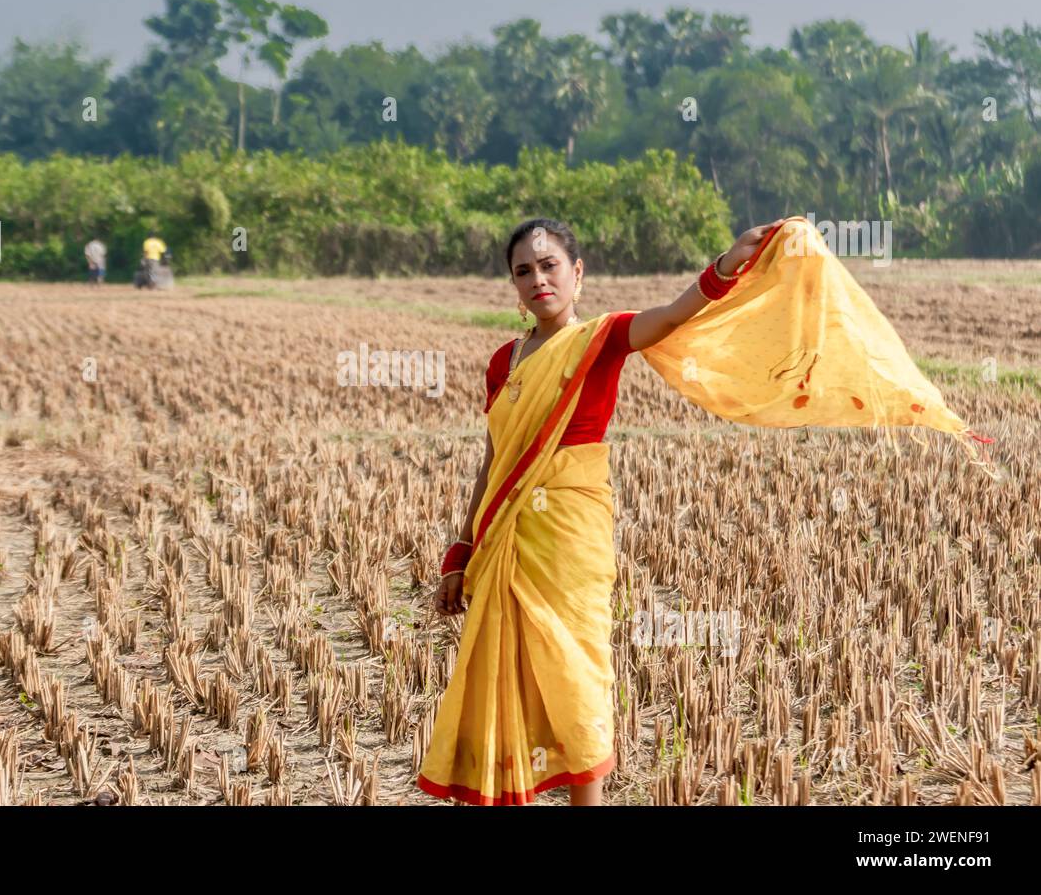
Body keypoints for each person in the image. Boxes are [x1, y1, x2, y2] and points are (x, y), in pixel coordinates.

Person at [416, 215, 990, 807]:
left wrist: (722, 267)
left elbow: (671, 315)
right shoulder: (501, 364)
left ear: (577, 274)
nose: (538, 279)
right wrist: (459, 552)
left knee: (576, 676)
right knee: (505, 676)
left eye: (550, 265)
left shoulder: (606, 338)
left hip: (568, 540)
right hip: (503, 538)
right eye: (524, 271)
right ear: (513, 286)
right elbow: (492, 461)